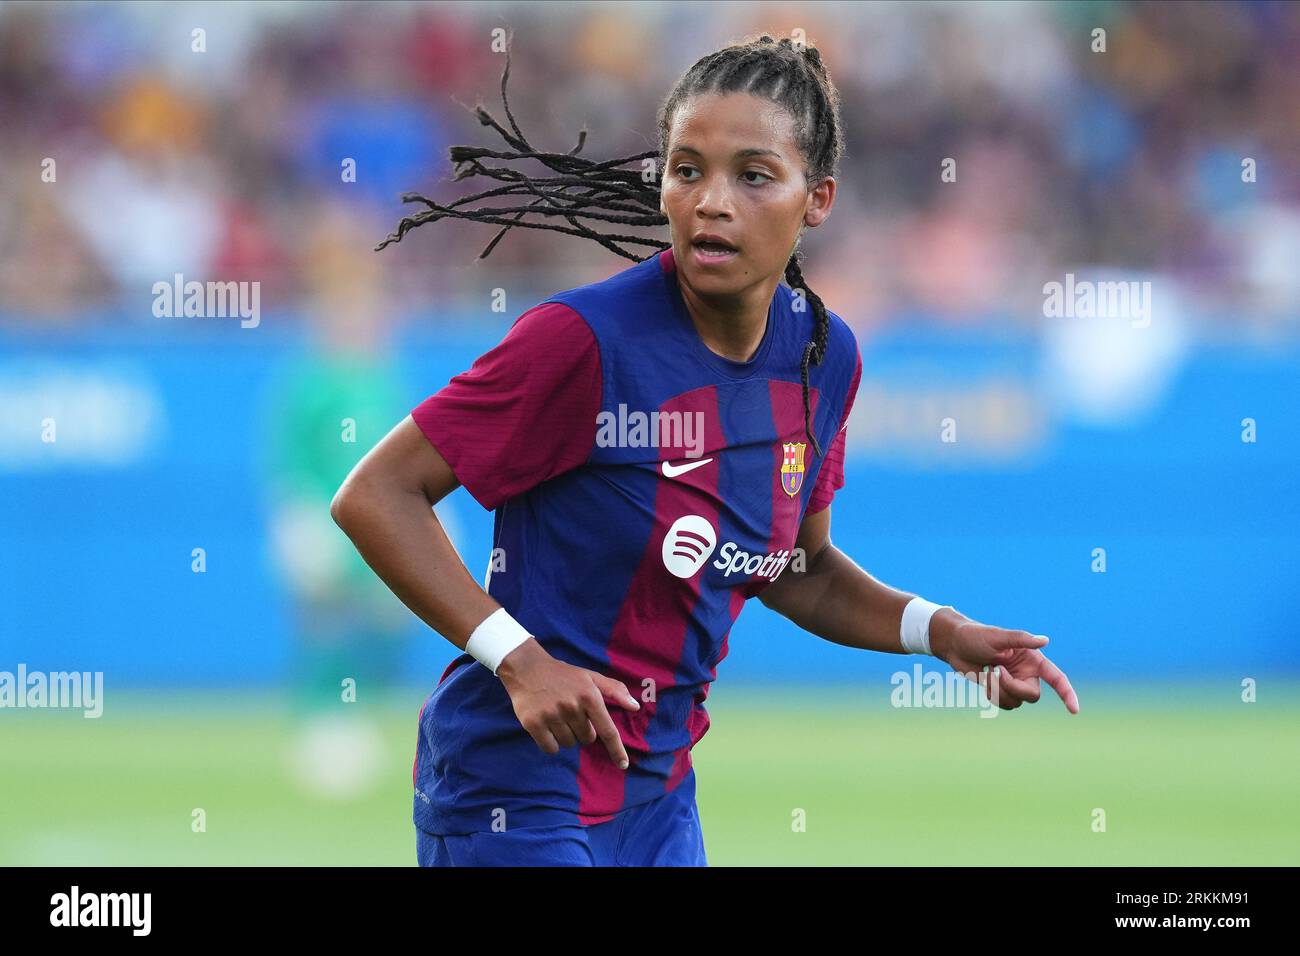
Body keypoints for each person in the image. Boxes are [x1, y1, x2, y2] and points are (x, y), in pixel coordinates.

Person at [332, 34, 1079, 867]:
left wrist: (938, 631)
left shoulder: (823, 360)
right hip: (514, 787)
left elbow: (800, 568)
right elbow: (375, 494)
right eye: (686, 170)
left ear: (817, 198)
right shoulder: (582, 342)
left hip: (657, 798)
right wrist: (518, 658)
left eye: (753, 176)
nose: (710, 201)